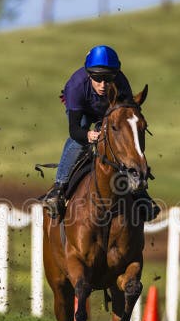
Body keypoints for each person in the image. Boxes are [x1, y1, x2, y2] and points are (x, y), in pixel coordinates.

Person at [41, 45, 159, 221]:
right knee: (79, 142)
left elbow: (125, 115)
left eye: (108, 78)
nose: (103, 85)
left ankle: (139, 191)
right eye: (97, 78)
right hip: (82, 111)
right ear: (89, 74)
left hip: (109, 111)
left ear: (115, 75)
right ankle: (59, 187)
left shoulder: (121, 82)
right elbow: (74, 130)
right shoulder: (76, 86)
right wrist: (87, 135)